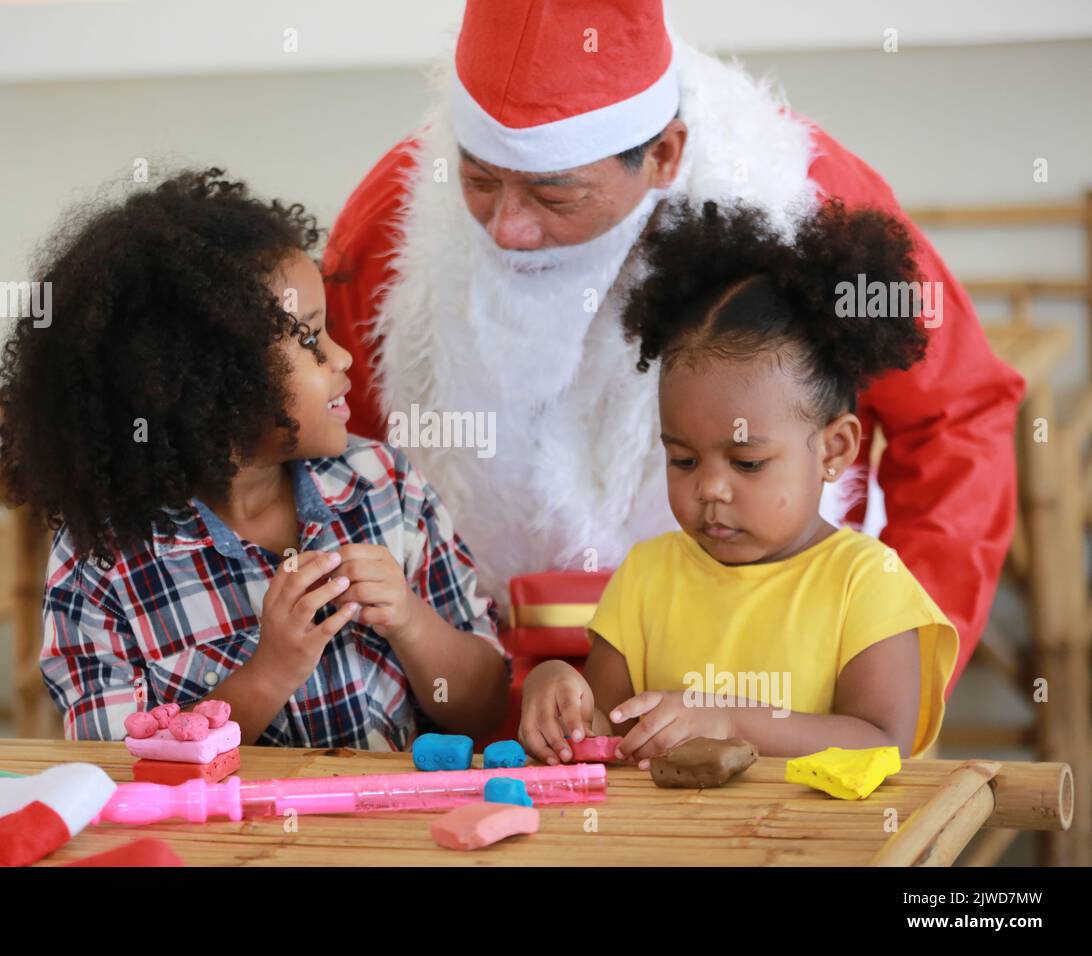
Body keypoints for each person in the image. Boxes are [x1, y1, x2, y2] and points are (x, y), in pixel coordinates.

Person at [322, 0, 1023, 694]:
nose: (507, 228)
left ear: (664, 155)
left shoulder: (803, 195)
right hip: (486, 685)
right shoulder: (397, 217)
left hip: (780, 672)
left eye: (553, 195)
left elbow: (957, 418)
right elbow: (335, 459)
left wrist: (892, 663)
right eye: (478, 179)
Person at [0, 169, 510, 746]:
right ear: (212, 383)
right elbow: (122, 772)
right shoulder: (102, 563)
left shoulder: (387, 485)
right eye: (310, 340)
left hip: (392, 835)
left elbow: (485, 709)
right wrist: (271, 671)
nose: (342, 359)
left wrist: (412, 621)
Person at [520, 199, 959, 763]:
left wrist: (729, 719)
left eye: (747, 462)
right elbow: (612, 735)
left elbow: (881, 743)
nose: (711, 489)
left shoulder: (866, 583)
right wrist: (561, 693)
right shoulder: (645, 579)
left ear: (835, 449)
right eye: (683, 460)